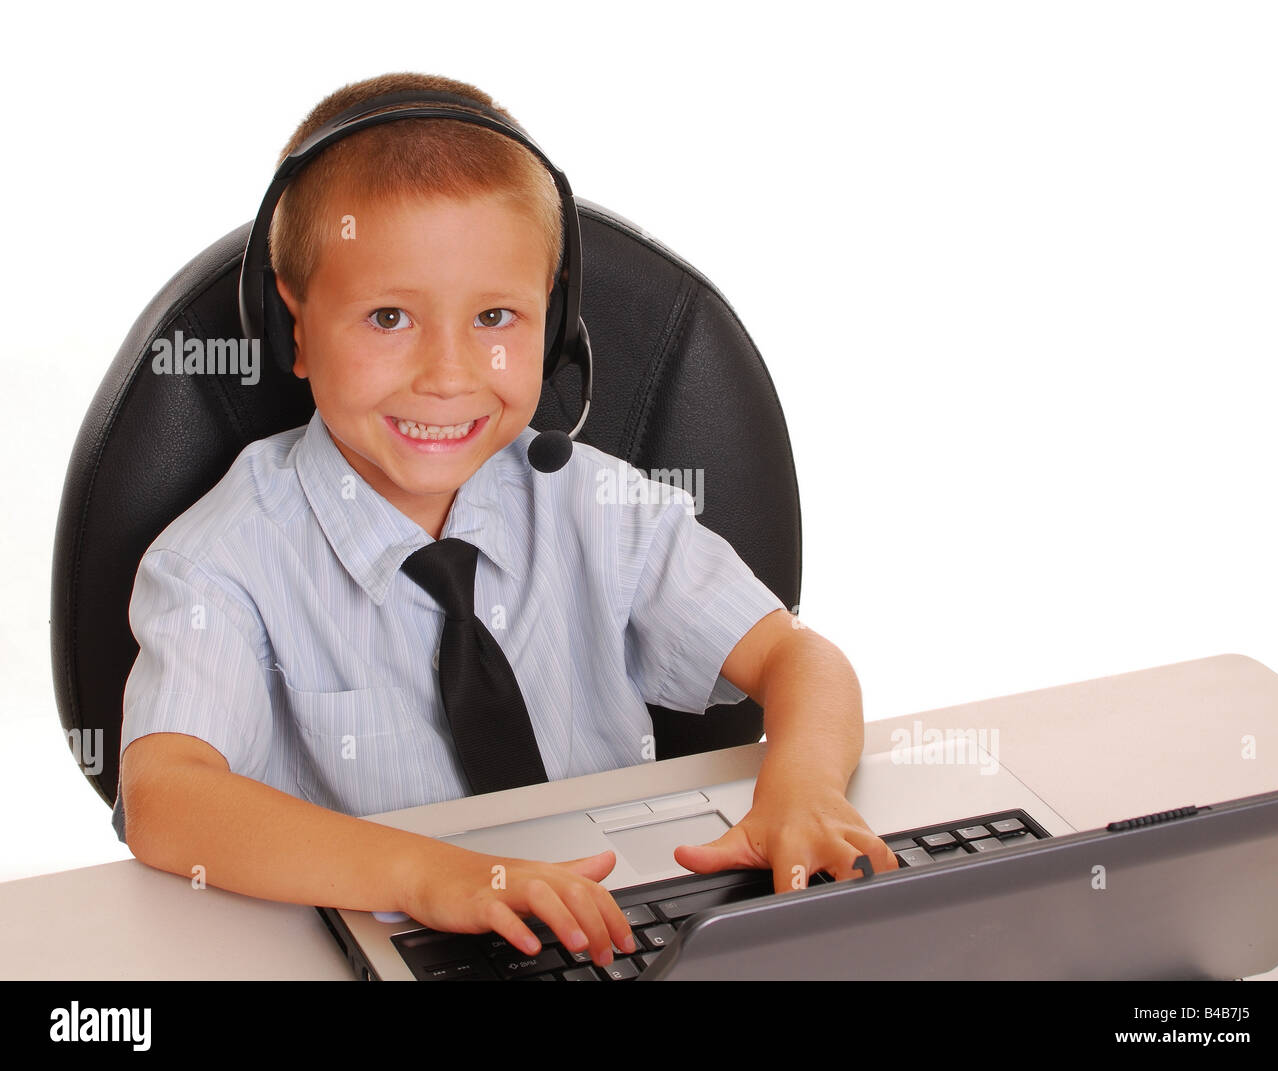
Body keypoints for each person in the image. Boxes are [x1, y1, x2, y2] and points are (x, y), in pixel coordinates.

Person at [115, 71, 898, 970]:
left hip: (608, 928)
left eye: (494, 316)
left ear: (555, 319)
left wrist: (802, 787)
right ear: (292, 322)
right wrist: (429, 876)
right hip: (378, 939)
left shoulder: (594, 505)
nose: (447, 374)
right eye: (388, 316)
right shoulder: (223, 559)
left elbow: (802, 658)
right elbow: (166, 799)